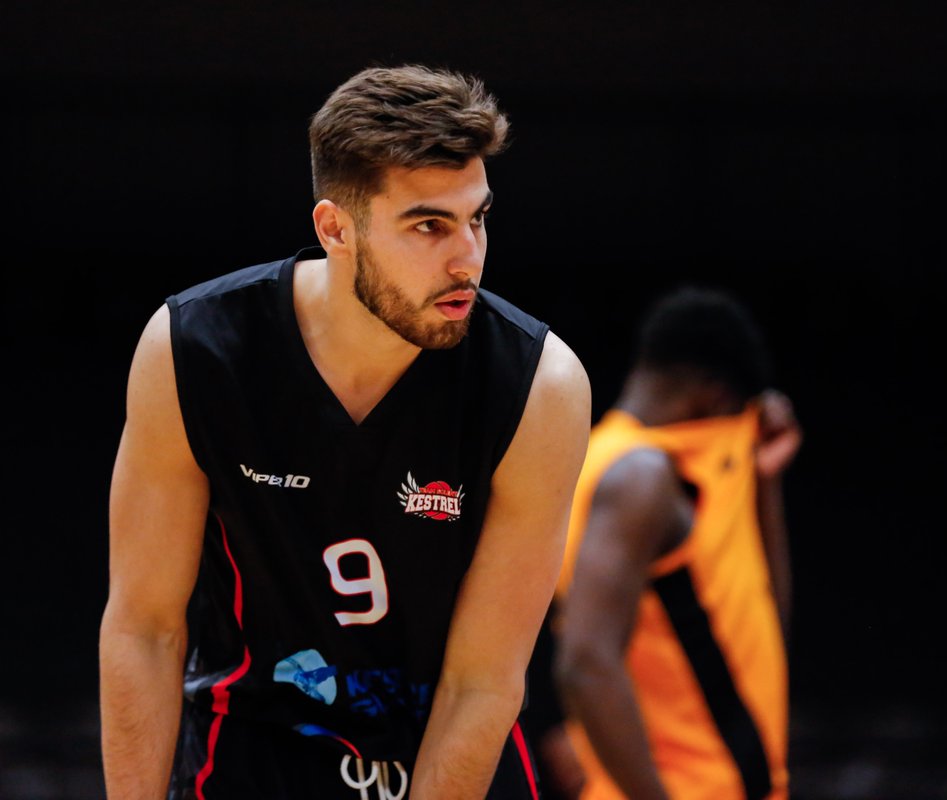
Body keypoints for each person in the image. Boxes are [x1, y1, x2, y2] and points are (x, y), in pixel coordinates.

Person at [98, 64, 591, 800]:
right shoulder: (194, 349)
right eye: (429, 225)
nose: (468, 258)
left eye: (478, 218)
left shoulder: (540, 385)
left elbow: (483, 683)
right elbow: (145, 628)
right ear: (335, 228)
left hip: (446, 746)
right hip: (252, 748)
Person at [550, 286, 800, 800]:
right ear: (713, 396)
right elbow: (586, 663)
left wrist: (764, 480)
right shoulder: (643, 478)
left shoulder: (605, 460)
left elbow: (762, 624)